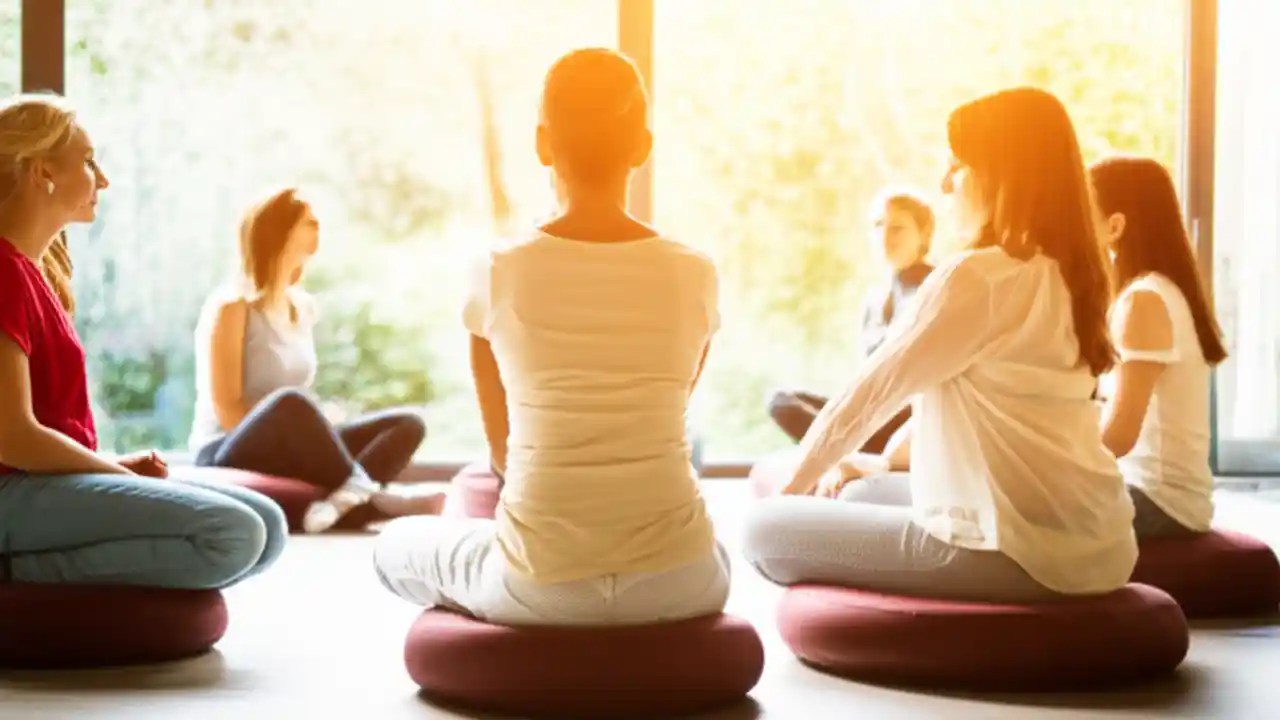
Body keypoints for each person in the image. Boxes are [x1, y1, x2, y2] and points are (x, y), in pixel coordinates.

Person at [373, 48, 729, 625]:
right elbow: (667, 408)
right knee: (710, 546)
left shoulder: (499, 270)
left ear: (543, 143)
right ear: (642, 146)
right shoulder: (695, 272)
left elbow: (501, 453)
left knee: (394, 546)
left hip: (540, 585)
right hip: (681, 581)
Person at [743, 87, 1136, 602]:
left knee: (763, 529)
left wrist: (788, 498)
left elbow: (867, 396)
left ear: (998, 175)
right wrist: (871, 463)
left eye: (957, 166)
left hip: (1011, 555)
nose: (945, 183)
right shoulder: (1078, 275)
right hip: (1101, 547)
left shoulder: (978, 277)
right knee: (860, 490)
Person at [0, 93, 284, 588]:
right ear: (44, 172)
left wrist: (109, 466)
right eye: (89, 161)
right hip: (14, 495)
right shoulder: (4, 273)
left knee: (269, 523)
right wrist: (119, 478)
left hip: (44, 485)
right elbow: (13, 436)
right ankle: (16, 571)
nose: (103, 179)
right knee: (235, 533)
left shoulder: (33, 273)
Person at [190, 188, 441, 533]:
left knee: (408, 424)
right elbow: (228, 411)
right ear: (281, 231)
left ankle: (346, 502)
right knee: (291, 403)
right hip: (225, 447)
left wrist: (319, 426)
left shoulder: (302, 307)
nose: (319, 227)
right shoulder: (233, 307)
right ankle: (365, 492)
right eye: (309, 221)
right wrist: (300, 429)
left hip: (285, 442)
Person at [1092, 156, 1226, 538]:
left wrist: (1050, 465)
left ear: (1115, 226)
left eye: (1083, 211)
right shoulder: (1145, 292)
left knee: (1023, 516)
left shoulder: (1145, 300)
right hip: (1147, 491)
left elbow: (1119, 436)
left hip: (1161, 502)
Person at [767, 190, 935, 452]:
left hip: (905, 419)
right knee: (782, 402)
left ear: (923, 235)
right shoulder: (874, 298)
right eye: (878, 225)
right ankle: (840, 444)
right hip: (868, 412)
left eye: (897, 228)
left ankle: (840, 445)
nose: (885, 237)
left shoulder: (934, 288)